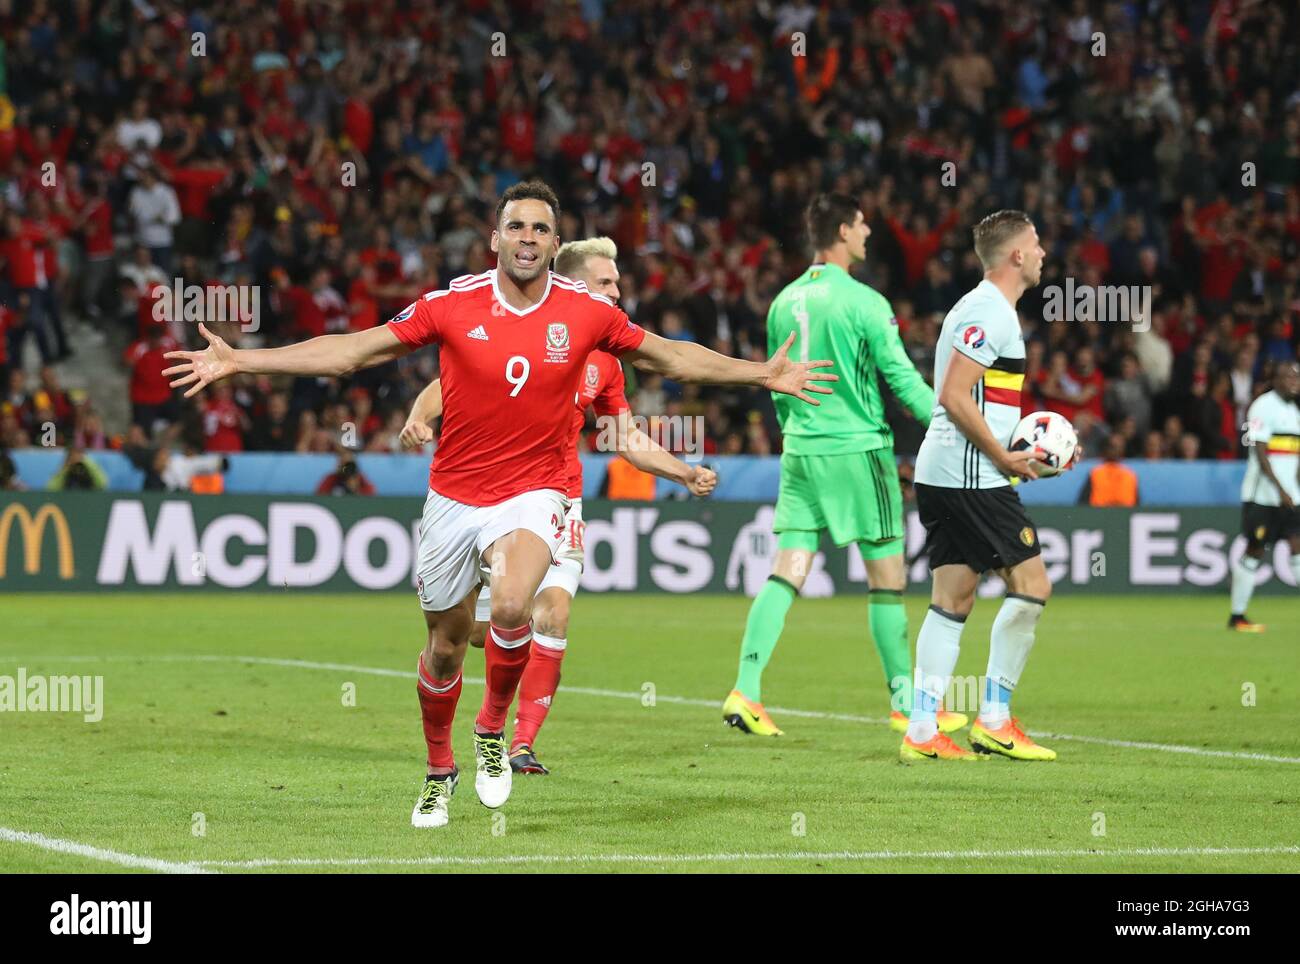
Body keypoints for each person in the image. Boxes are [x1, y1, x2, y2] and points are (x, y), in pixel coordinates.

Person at [162, 179, 833, 828]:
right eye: (516, 225)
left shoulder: (587, 313)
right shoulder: (451, 305)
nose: (528, 237)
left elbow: (671, 358)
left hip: (537, 492)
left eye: (541, 227)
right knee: (444, 649)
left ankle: (492, 729)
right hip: (454, 496)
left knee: (516, 604)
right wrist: (246, 362)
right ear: (495, 238)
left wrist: (760, 372)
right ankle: (437, 769)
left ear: (555, 240)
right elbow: (351, 353)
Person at [401, 236, 718, 775]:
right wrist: (419, 415)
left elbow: (623, 437)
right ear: (572, 284)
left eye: (617, 282)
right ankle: (456, 677)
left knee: (554, 611)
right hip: (482, 492)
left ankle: (515, 742)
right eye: (605, 282)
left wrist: (683, 471)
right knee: (478, 631)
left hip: (554, 497)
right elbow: (448, 380)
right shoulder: (519, 325)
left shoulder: (610, 363)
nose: (617, 291)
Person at [720, 193, 966, 738]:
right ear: (841, 231)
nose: (868, 235)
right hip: (858, 451)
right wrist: (951, 427)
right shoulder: (864, 301)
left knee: (789, 570)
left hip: (801, 450)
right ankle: (906, 701)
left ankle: (746, 689)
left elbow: (774, 378)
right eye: (861, 226)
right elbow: (901, 380)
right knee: (887, 579)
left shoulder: (782, 301)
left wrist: (796, 433)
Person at [906, 209, 1079, 763]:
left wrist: (1040, 457)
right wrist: (1004, 456)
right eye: (1037, 243)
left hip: (946, 472)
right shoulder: (990, 313)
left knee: (952, 597)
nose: (1044, 253)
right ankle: (995, 720)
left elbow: (977, 401)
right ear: (1016, 256)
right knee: (1033, 585)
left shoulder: (979, 309)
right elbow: (955, 396)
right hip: (971, 474)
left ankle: (921, 730)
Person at [1228, 361, 1300, 632]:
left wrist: (1294, 488)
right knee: (1255, 550)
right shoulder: (1262, 406)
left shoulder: (1294, 411)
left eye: (1297, 377)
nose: (1294, 381)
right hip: (1262, 496)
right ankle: (1237, 616)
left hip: (1290, 496)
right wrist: (1281, 490)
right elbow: (1260, 452)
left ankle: (1238, 616)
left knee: (1297, 545)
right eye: (1288, 377)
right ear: (1276, 380)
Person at [1078, 435, 1139, 506]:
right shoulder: (1095, 473)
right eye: (1113, 447)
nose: (1116, 450)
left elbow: (1137, 506)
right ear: (1106, 449)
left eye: (1119, 447)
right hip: (1099, 513)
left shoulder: (1130, 475)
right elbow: (1083, 503)